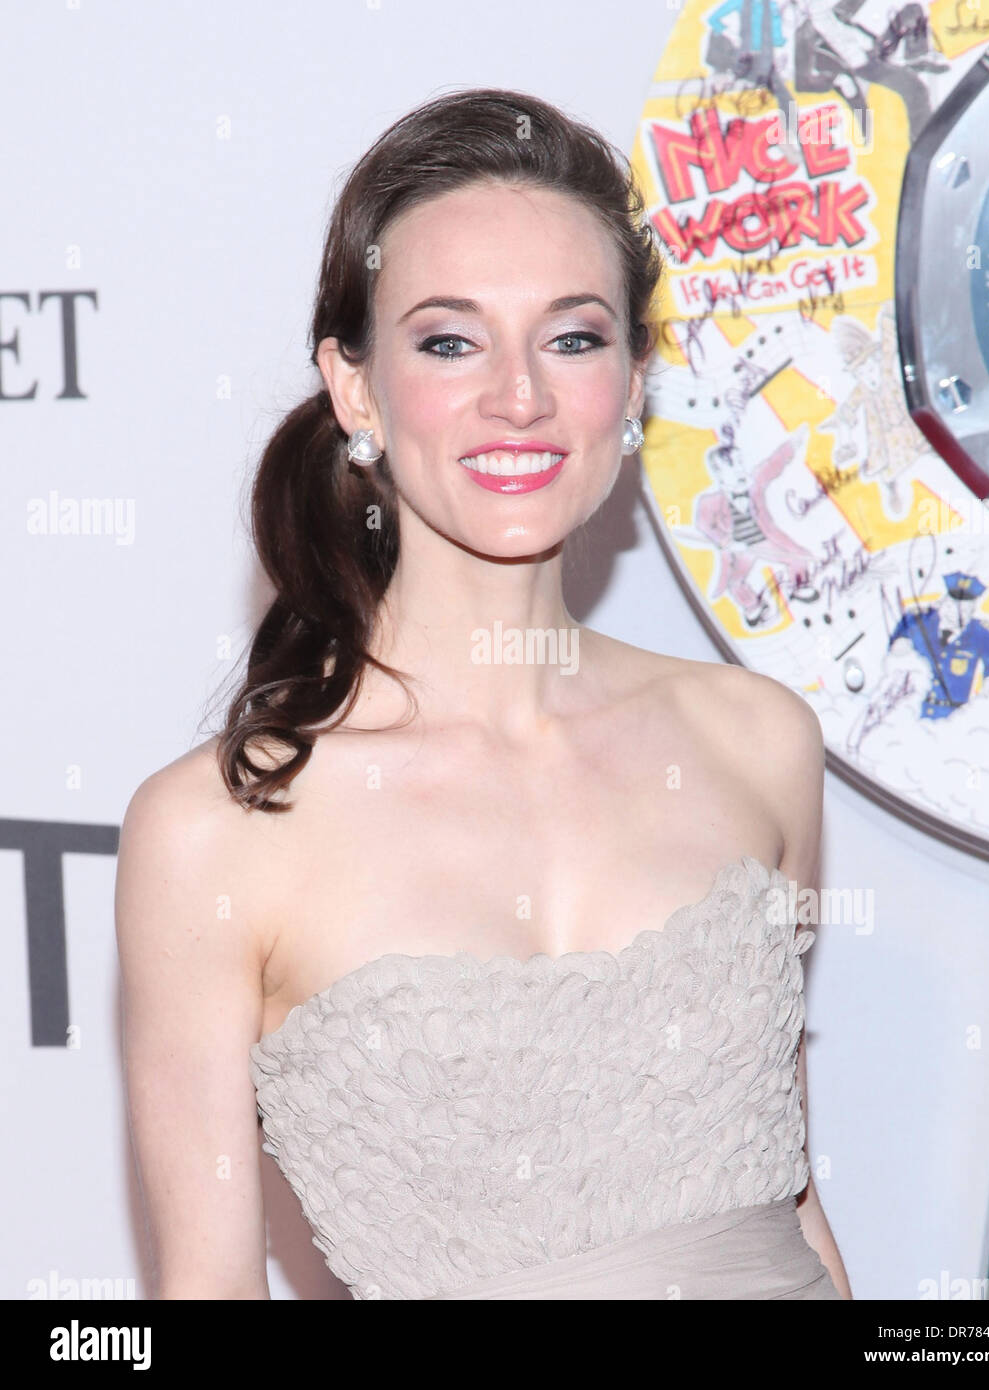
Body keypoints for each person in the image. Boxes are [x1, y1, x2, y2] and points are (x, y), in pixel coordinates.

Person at [115, 86, 851, 1301]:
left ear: (633, 381)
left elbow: (791, 1207)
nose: (519, 395)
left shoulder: (755, 739)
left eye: (571, 337)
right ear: (355, 389)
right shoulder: (216, 830)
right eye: (448, 341)